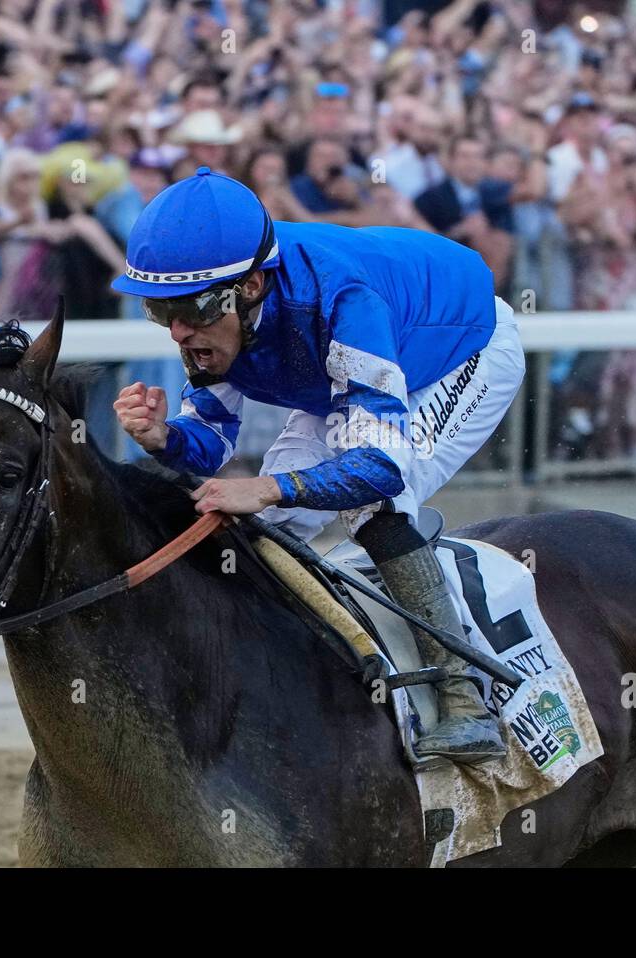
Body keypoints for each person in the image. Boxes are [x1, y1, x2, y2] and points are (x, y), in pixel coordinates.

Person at [111, 167, 526, 763]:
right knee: (266, 534)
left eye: (194, 309)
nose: (178, 330)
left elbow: (377, 467)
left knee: (372, 504)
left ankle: (462, 692)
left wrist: (269, 486)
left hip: (462, 350)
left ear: (251, 286)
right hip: (344, 379)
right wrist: (161, 439)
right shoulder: (216, 319)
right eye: (159, 309)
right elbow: (210, 440)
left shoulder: (342, 299)